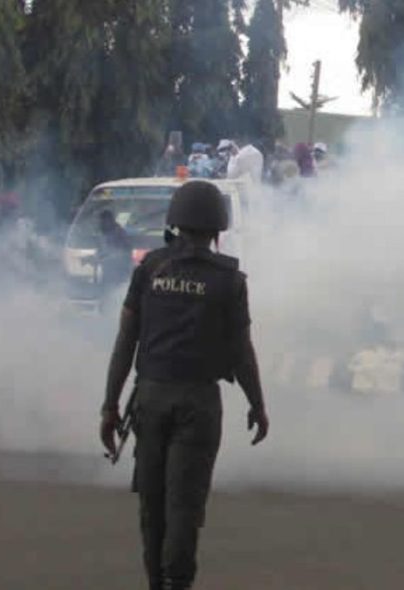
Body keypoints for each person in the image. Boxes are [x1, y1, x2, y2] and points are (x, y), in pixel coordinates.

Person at [98, 180, 270, 590]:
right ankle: (177, 583)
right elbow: (241, 351)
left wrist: (110, 405)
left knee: (152, 506)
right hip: (198, 404)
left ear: (175, 222)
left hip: (150, 399)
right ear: (217, 229)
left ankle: (157, 583)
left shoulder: (150, 269)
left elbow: (126, 341)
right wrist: (257, 404)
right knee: (184, 507)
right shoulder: (229, 281)